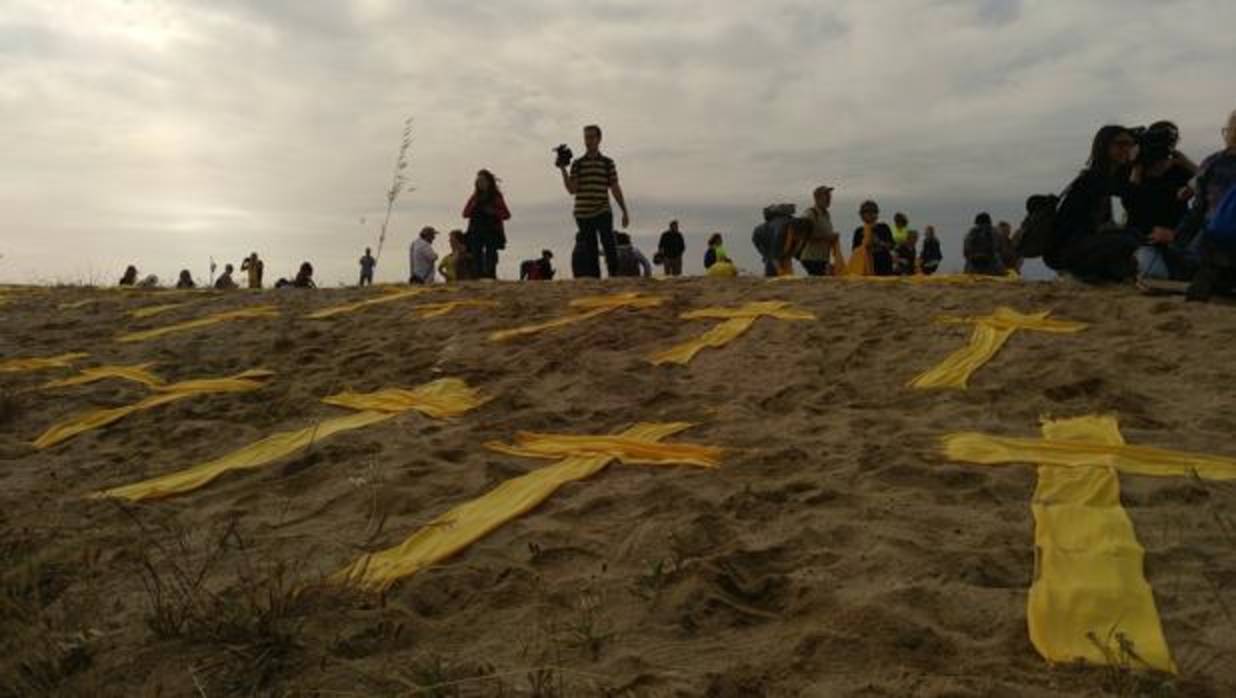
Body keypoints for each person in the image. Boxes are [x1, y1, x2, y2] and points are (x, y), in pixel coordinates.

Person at [1048, 125, 1141, 282]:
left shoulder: (1107, 177)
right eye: (1120, 144)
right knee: (1127, 240)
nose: (1127, 149)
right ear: (1104, 146)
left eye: (1131, 145)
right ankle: (1080, 273)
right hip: (1067, 249)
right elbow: (1130, 192)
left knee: (1134, 236)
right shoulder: (1093, 178)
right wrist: (1138, 166)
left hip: (1081, 244)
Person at [1123, 122, 1200, 281]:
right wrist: (1136, 167)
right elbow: (1130, 203)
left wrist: (1186, 163)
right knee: (1154, 272)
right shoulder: (1131, 171)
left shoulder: (1179, 169)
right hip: (1145, 238)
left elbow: (1213, 184)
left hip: (1177, 235)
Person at [1177, 109, 1236, 300]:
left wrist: (1178, 239)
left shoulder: (1213, 163)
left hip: (1214, 241)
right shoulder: (1214, 163)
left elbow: (1198, 210)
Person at [559, 125, 630, 278]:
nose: (588, 141)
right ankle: (596, 281)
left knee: (609, 244)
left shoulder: (607, 163)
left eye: (591, 137)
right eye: (586, 137)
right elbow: (572, 189)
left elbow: (615, 187)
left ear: (599, 139)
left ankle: (614, 277)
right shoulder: (578, 164)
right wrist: (563, 168)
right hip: (583, 213)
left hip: (602, 210)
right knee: (590, 250)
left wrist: (624, 210)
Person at [463, 169, 510, 279]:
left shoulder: (496, 196)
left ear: (489, 182)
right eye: (478, 181)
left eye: (483, 181)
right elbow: (465, 213)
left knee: (491, 253)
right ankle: (478, 276)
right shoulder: (474, 197)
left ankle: (490, 275)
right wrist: (473, 207)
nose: (481, 183)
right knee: (476, 253)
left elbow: (506, 214)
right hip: (476, 229)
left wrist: (493, 211)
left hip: (491, 229)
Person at [801, 185, 842, 276]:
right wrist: (828, 237)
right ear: (817, 198)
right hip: (811, 258)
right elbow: (804, 235)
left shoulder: (826, 215)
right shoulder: (810, 214)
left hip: (822, 258)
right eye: (826, 195)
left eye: (829, 196)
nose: (829, 198)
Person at [850, 201, 895, 276]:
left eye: (872, 212)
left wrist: (879, 242)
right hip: (866, 268)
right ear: (861, 215)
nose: (869, 215)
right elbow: (854, 251)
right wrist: (865, 246)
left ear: (876, 214)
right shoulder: (859, 231)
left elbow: (892, 246)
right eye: (866, 212)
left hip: (884, 267)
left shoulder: (883, 228)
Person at [753, 204, 795, 276]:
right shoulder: (782, 226)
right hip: (775, 254)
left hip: (770, 254)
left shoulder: (762, 228)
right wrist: (780, 269)